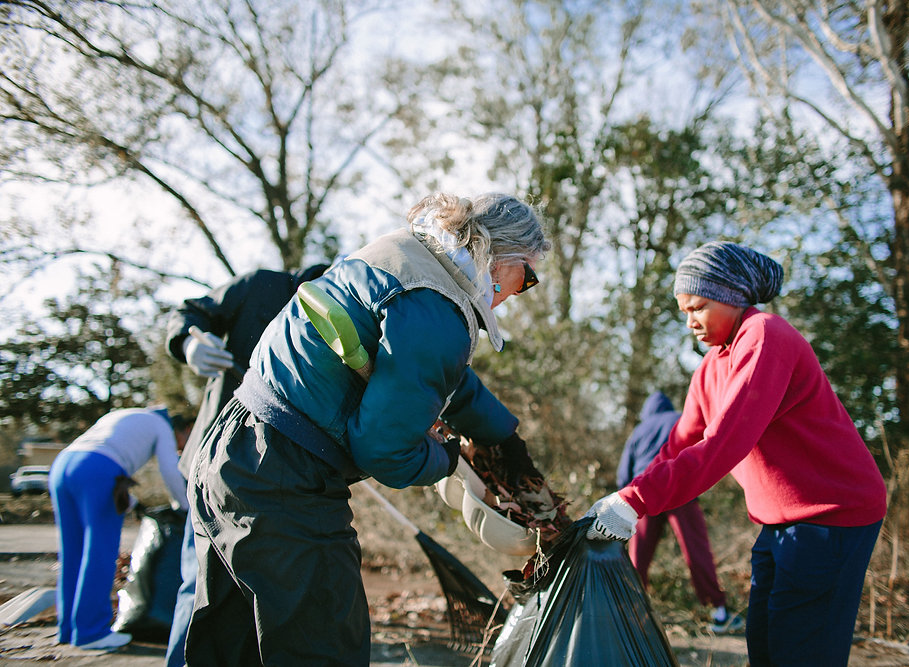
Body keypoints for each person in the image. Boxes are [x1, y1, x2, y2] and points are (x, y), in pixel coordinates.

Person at [185, 192, 549, 666]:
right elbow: (386, 451)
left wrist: (503, 437)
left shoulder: (403, 256)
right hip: (285, 479)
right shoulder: (437, 308)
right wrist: (449, 458)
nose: (520, 292)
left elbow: (435, 375)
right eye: (528, 276)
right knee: (323, 653)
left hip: (230, 447)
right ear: (501, 257)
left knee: (232, 650)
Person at [585, 241, 886, 666]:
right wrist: (623, 498)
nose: (690, 321)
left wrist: (636, 500)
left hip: (832, 514)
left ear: (731, 296)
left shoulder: (765, 336)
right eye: (684, 311)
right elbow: (676, 445)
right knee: (763, 639)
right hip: (779, 522)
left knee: (799, 648)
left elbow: (725, 443)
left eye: (699, 307)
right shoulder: (710, 368)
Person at [162, 263, 328, 667]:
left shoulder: (336, 328)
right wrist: (188, 342)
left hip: (275, 481)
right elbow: (191, 310)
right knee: (200, 584)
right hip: (211, 463)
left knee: (257, 595)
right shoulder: (260, 286)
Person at [48, 407, 193, 650]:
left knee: (73, 553)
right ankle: (92, 633)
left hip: (63, 466)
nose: (182, 446)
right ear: (181, 429)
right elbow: (170, 470)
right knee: (100, 553)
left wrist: (134, 503)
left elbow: (109, 450)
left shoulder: (125, 415)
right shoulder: (161, 425)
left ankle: (68, 630)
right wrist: (187, 507)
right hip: (99, 470)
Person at [617, 390, 743, 633]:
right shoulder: (679, 419)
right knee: (696, 551)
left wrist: (626, 500)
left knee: (638, 558)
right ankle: (718, 611)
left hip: (645, 493)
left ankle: (629, 614)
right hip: (680, 490)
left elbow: (624, 473)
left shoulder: (639, 431)